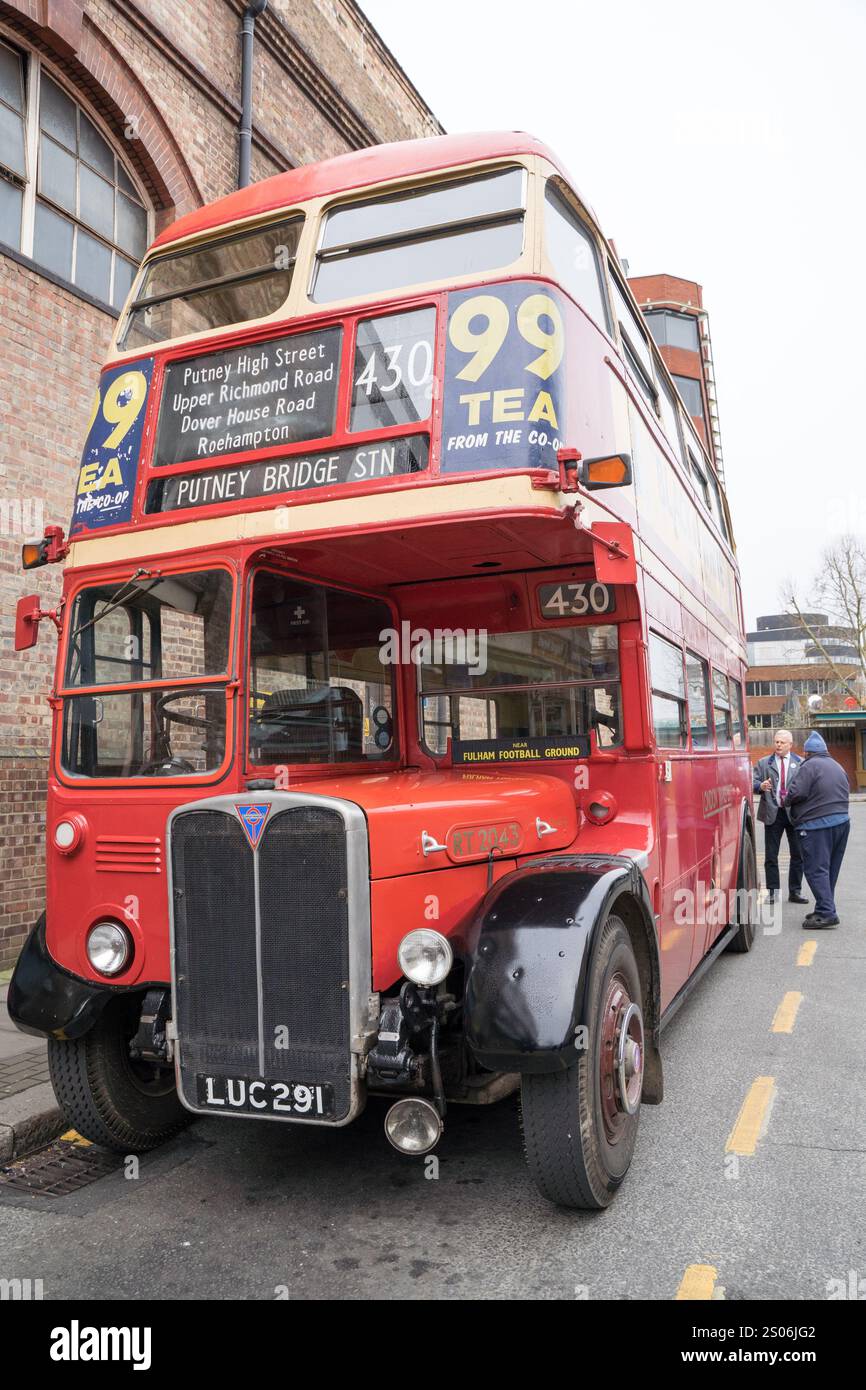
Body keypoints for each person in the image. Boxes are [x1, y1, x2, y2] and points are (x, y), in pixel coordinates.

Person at [782, 731, 851, 929]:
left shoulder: (809, 766)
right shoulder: (837, 765)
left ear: (807, 753)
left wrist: (786, 800)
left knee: (816, 869)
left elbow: (796, 792)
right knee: (830, 869)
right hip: (842, 822)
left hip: (817, 825)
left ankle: (827, 913)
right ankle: (823, 907)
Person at [752, 729, 807, 904]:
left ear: (790, 744)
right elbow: (751, 781)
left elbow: (807, 786)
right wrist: (760, 786)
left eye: (782, 742)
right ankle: (773, 893)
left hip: (794, 814)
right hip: (772, 813)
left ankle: (795, 892)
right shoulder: (764, 763)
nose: (778, 745)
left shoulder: (801, 763)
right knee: (771, 856)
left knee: (798, 854)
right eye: (776, 742)